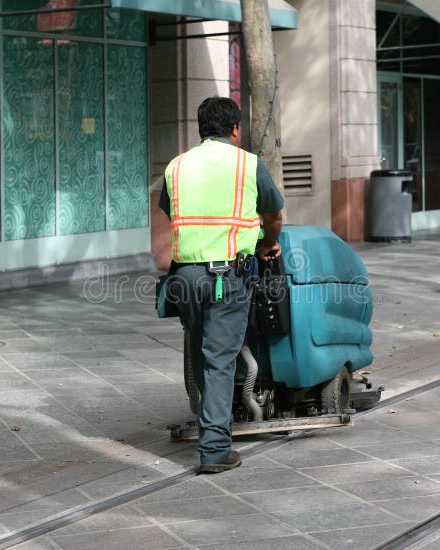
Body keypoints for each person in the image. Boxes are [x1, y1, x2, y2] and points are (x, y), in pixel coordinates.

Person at [159, 96, 284, 474]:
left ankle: (210, 424)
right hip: (225, 277)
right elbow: (274, 214)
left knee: (200, 355)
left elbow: (171, 211)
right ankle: (214, 449)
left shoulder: (176, 166)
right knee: (218, 360)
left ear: (201, 129)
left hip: (185, 277)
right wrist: (266, 242)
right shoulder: (248, 163)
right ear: (235, 129)